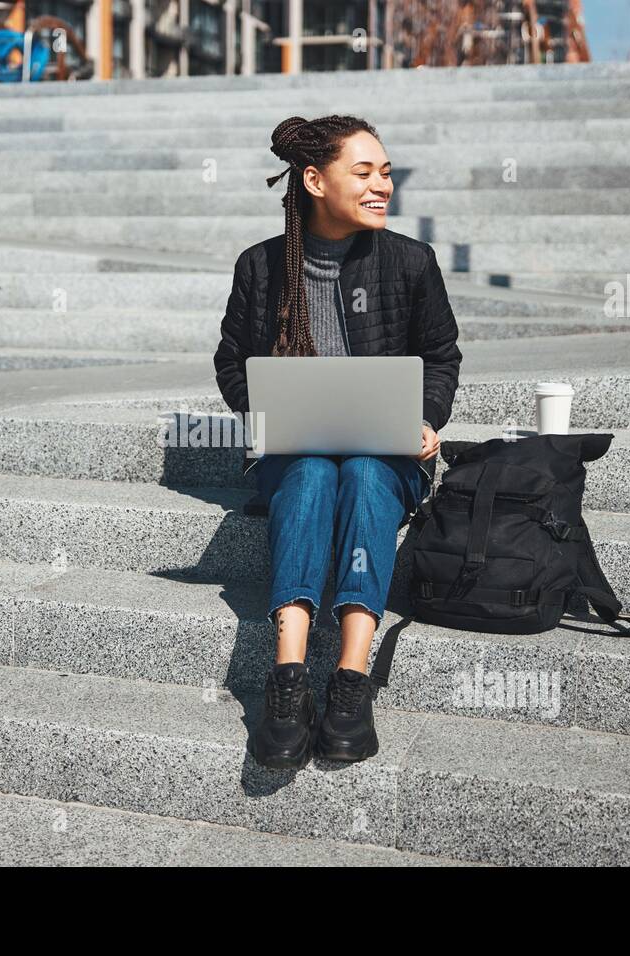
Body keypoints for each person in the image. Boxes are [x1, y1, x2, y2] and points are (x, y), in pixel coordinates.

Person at [212, 114, 462, 770]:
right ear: (316, 181)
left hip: (389, 455)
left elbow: (441, 356)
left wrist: (427, 419)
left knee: (366, 475)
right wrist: (266, 412)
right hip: (296, 454)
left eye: (386, 172)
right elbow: (232, 362)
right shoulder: (260, 266)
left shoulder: (411, 262)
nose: (383, 184)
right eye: (366, 172)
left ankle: (351, 681)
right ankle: (288, 680)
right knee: (318, 472)